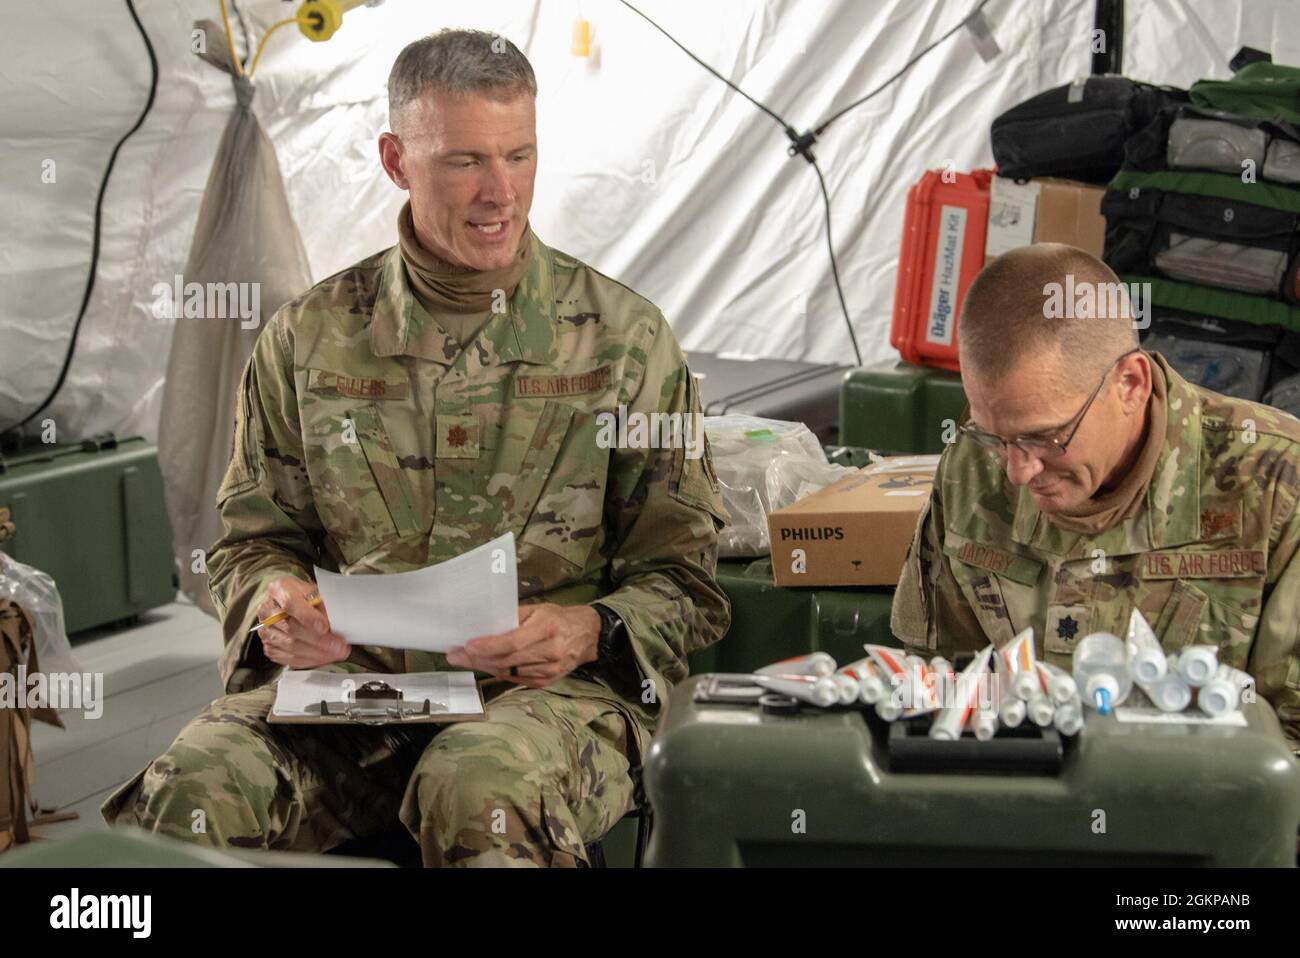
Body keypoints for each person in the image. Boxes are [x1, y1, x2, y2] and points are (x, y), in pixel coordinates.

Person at [102, 29, 730, 865]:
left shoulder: (623, 341)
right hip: (348, 697)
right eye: (464, 161)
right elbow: (255, 543)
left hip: (544, 699)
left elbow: (685, 578)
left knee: (477, 789)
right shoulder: (309, 338)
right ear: (397, 160)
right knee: (187, 793)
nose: (499, 192)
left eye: (520, 155)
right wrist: (278, 608)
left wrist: (586, 629)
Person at [891, 243, 1300, 747]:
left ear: (1129, 383)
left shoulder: (1277, 482)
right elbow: (938, 683)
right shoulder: (974, 466)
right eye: (996, 436)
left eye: (1045, 437)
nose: (1018, 470)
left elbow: (1292, 742)